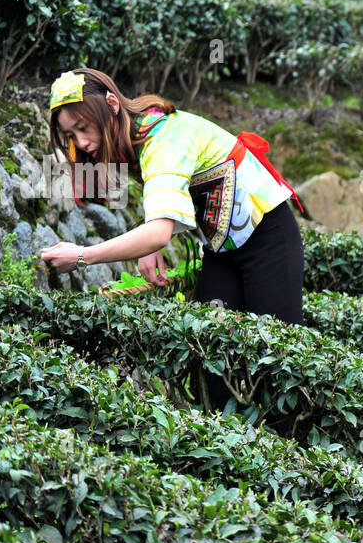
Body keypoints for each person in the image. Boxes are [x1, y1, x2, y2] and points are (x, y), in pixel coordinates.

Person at [38, 67, 306, 407]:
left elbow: (159, 233)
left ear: (111, 104)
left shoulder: (163, 139)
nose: (82, 143)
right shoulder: (142, 130)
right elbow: (161, 205)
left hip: (269, 239)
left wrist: (81, 256)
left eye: (82, 128)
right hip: (223, 248)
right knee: (211, 357)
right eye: (71, 136)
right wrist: (148, 231)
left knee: (280, 365)